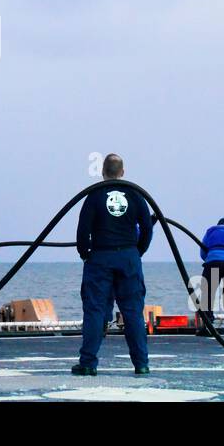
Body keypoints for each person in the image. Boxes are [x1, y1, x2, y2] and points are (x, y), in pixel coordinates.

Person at [72, 154, 154, 376]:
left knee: (95, 311)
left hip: (100, 257)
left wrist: (84, 253)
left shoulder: (94, 195)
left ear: (103, 172)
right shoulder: (136, 195)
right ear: (123, 172)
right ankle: (141, 364)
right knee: (133, 312)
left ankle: (88, 363)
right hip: (128, 258)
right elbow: (147, 228)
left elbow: (82, 230)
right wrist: (138, 251)